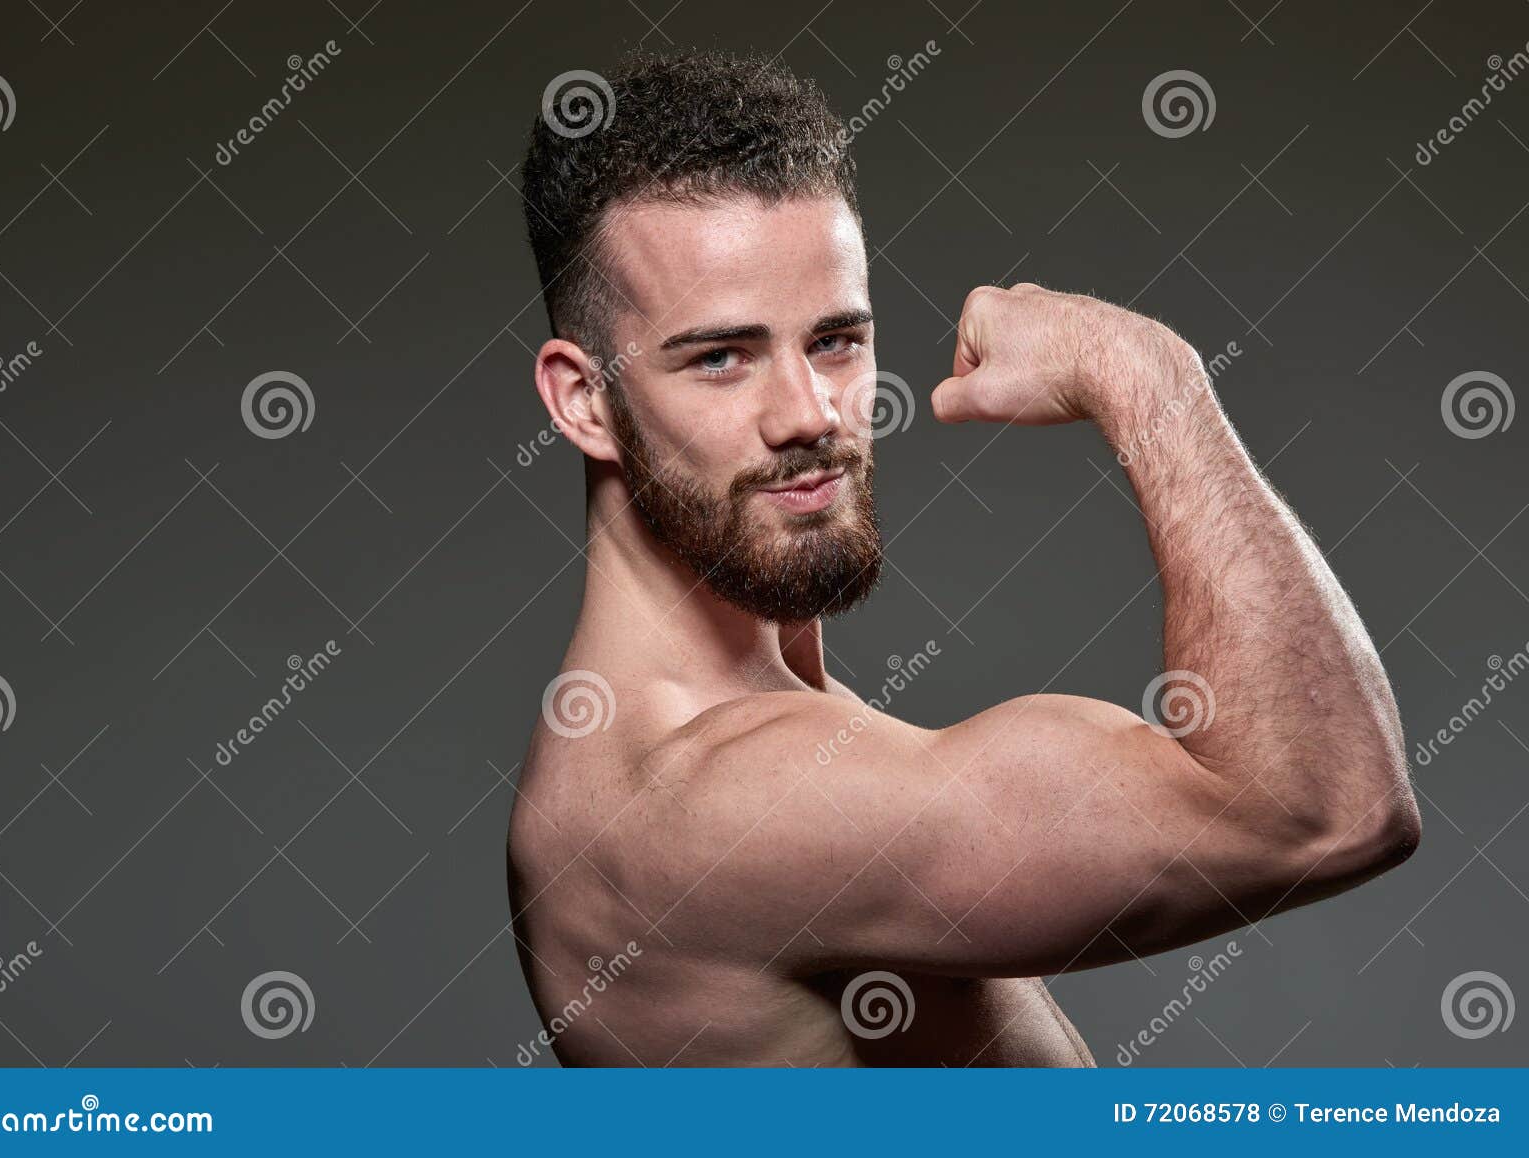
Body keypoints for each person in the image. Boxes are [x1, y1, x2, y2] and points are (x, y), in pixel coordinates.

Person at [506, 50, 1419, 1067]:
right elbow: (1324, 807)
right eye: (720, 357)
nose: (808, 415)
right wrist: (1145, 372)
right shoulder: (712, 805)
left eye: (837, 342)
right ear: (584, 400)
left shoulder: (744, 721)